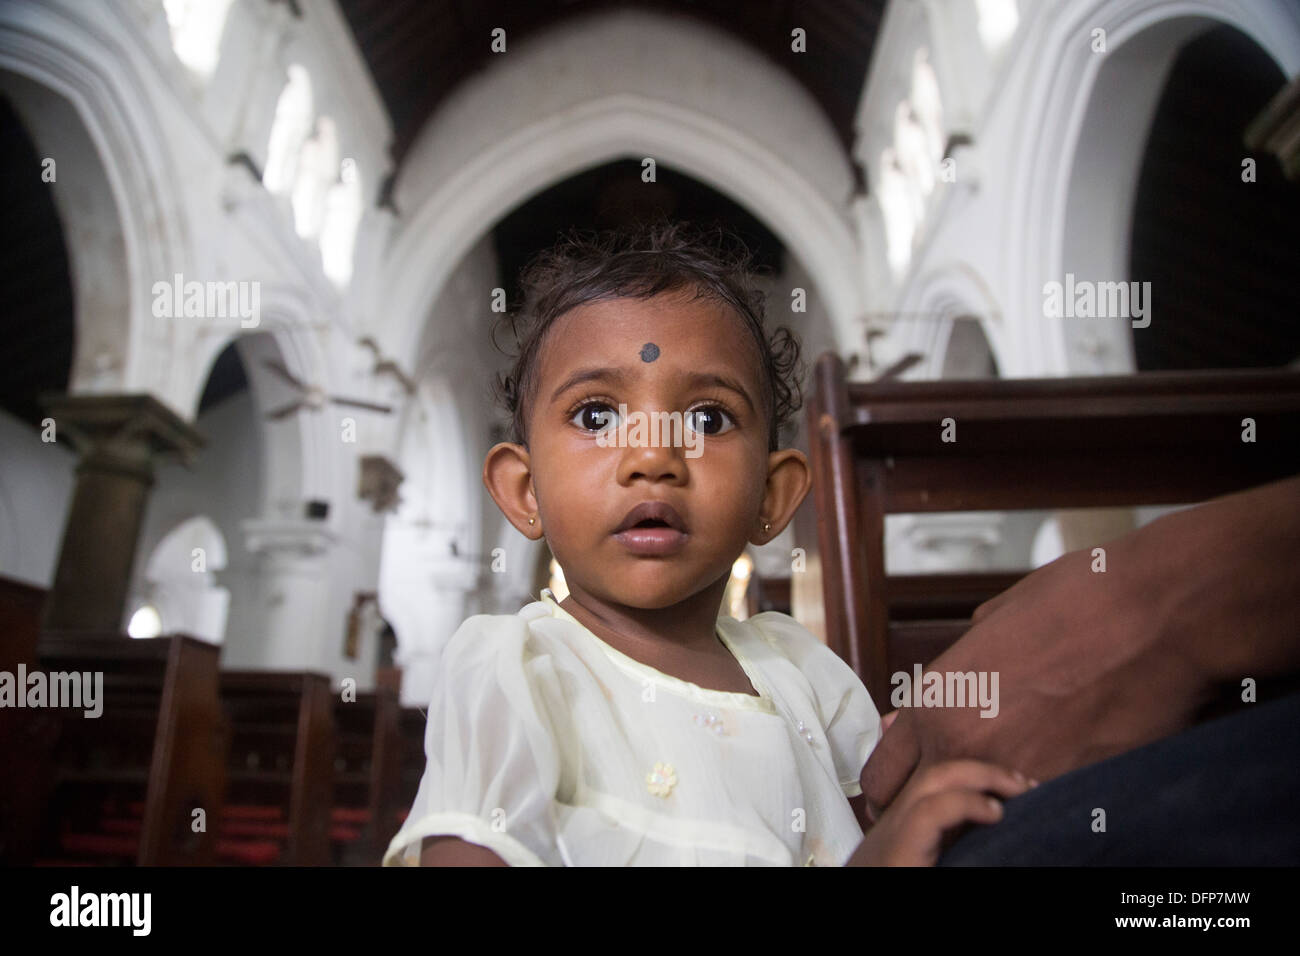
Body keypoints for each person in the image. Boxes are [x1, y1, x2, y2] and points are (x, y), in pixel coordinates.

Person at [381, 220, 1032, 866]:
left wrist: (922, 765)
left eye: (708, 418)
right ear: (524, 491)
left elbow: (883, 819)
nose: (653, 456)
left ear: (772, 497)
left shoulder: (803, 674)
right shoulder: (515, 671)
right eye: (596, 415)